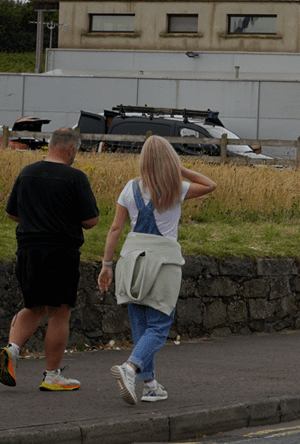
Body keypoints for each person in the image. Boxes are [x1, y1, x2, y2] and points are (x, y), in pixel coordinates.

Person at [96, 135, 217, 406]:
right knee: (160, 326)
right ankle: (131, 369)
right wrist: (179, 168)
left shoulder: (129, 188)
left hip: (131, 260)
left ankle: (150, 386)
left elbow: (115, 229)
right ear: (169, 160)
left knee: (141, 327)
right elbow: (210, 184)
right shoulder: (176, 187)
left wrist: (106, 265)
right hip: (163, 262)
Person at [2, 127, 99, 392]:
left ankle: (10, 350)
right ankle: (53, 375)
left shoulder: (27, 173)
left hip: (27, 249)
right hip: (61, 251)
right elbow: (90, 220)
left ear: (50, 145)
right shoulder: (75, 177)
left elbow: (12, 213)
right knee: (59, 310)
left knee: (34, 305)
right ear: (71, 149)